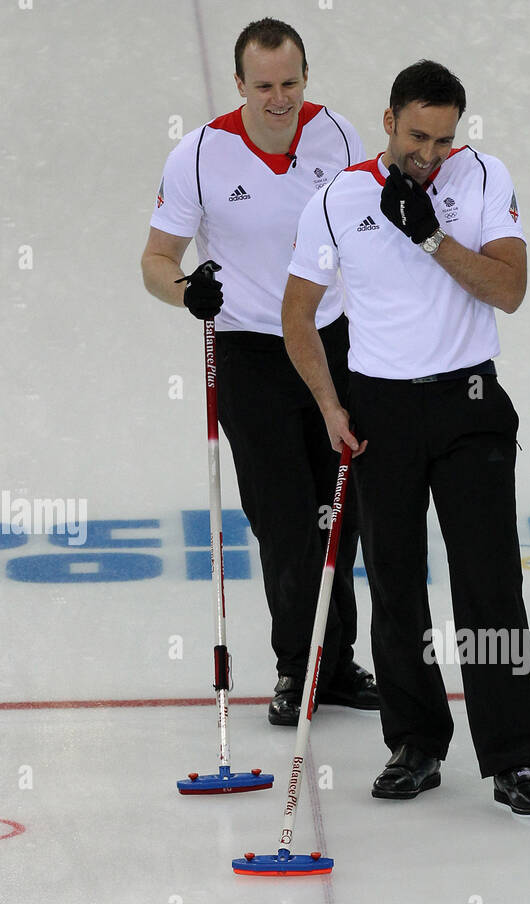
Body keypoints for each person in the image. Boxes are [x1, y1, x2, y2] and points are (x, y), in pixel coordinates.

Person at [282, 59, 530, 814]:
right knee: (397, 586)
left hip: (470, 405)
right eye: (415, 136)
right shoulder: (337, 200)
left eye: (442, 139)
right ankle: (415, 743)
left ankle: (513, 759)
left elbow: (512, 289)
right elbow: (298, 313)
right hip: (380, 413)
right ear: (388, 121)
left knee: (490, 588)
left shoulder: (484, 180)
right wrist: (331, 407)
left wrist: (431, 236)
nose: (428, 155)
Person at [141, 17, 377, 725]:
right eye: (265, 86)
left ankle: (335, 666)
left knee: (339, 514)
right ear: (240, 84)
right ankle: (293, 668)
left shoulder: (338, 138)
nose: (280, 100)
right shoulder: (200, 155)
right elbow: (156, 260)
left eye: (292, 84)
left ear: (307, 78)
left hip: (334, 349)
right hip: (251, 355)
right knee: (282, 522)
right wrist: (189, 292)